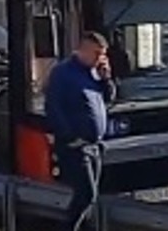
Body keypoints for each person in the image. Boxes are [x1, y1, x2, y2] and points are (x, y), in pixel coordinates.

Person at [45, 31, 117, 231]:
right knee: (86, 195)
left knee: (91, 199)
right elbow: (53, 107)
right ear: (83, 50)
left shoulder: (94, 73)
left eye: (103, 55)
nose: (100, 59)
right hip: (75, 146)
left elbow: (109, 98)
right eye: (96, 54)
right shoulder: (63, 73)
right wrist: (69, 136)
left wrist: (106, 79)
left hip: (95, 146)